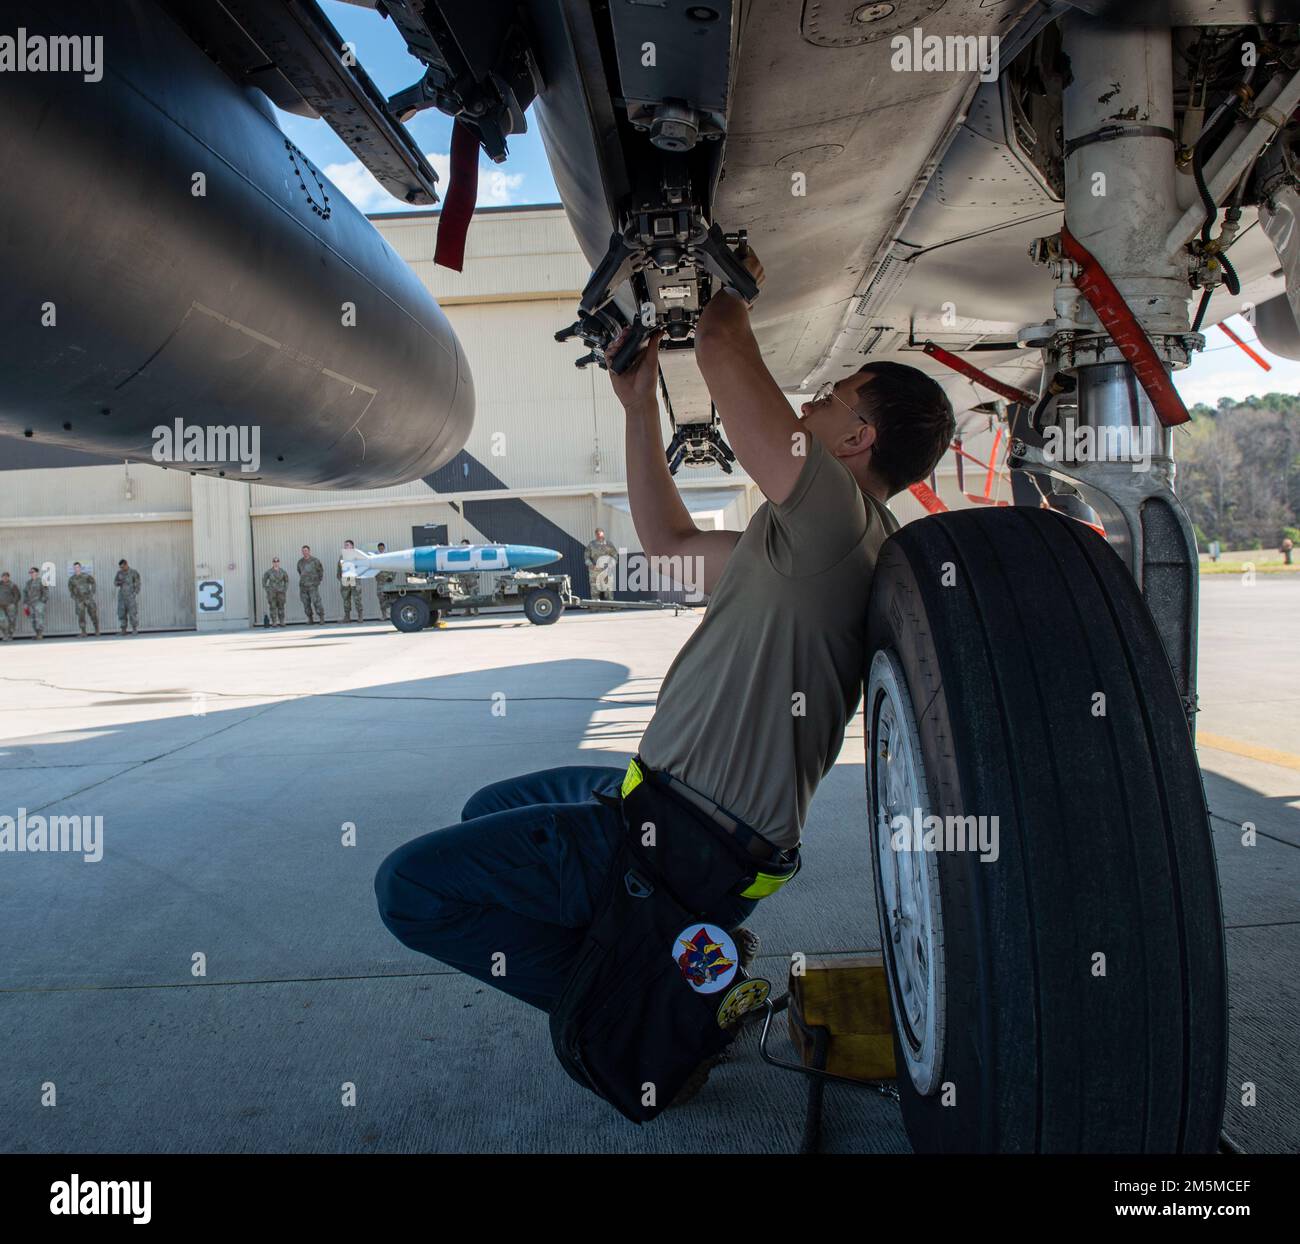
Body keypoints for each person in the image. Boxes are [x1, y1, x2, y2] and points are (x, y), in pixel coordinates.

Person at [375, 246, 955, 1105]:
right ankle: (672, 955)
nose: (810, 402)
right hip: (666, 801)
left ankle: (667, 993)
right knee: (488, 811)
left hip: (693, 838)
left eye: (831, 399)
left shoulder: (835, 516)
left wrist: (721, 276)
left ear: (858, 439)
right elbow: (671, 550)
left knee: (409, 888)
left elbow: (725, 350)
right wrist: (638, 400)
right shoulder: (803, 542)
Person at [585, 527, 618, 600]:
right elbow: (586, 557)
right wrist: (591, 565)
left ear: (603, 534)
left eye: (601, 535)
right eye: (598, 535)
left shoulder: (609, 544)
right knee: (594, 591)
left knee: (609, 590)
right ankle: (595, 607)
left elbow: (615, 556)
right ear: (595, 535)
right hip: (595, 571)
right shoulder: (591, 545)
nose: (599, 537)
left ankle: (610, 607)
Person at [68, 562, 100, 637]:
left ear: (80, 568)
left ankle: (97, 630)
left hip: (88, 598)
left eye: (78, 567)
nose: (76, 569)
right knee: (81, 616)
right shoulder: (72, 579)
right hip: (79, 599)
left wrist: (92, 593)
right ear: (74, 569)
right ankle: (83, 632)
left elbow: (93, 582)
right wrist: (74, 597)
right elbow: (70, 589)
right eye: (75, 568)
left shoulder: (86, 576)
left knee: (93, 614)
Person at [297, 545, 324, 623]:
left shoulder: (315, 561)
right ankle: (310, 618)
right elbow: (299, 571)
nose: (304, 552)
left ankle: (321, 618)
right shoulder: (300, 562)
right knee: (306, 603)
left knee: (316, 602)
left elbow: (320, 571)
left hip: (313, 586)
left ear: (309, 551)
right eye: (303, 551)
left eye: (306, 550)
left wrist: (318, 581)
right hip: (303, 586)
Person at [113, 559, 141, 635]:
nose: (121, 569)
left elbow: (138, 583)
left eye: (122, 567)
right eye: (120, 567)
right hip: (122, 597)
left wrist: (135, 593)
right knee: (121, 613)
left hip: (130, 597)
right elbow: (115, 582)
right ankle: (123, 630)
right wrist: (119, 582)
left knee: (132, 613)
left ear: (126, 564)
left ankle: (134, 629)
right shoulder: (119, 573)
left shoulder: (133, 572)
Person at [338, 540, 363, 622]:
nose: (345, 546)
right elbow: (339, 569)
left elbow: (361, 567)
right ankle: (347, 617)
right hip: (345, 580)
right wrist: (340, 578)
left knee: (357, 599)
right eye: (345, 545)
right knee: (346, 599)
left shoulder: (357, 556)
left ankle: (360, 616)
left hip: (354, 580)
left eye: (347, 545)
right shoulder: (342, 556)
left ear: (352, 546)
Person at [454, 538, 479, 615]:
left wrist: (476, 574)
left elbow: (476, 563)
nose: (463, 547)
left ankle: (476, 610)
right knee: (465, 594)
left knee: (473, 594)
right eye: (462, 545)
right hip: (462, 576)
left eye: (465, 545)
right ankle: (467, 611)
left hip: (471, 576)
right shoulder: (459, 554)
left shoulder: (473, 553)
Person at [262, 557, 289, 627]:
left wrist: (285, 589)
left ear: (279, 563)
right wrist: (267, 589)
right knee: (272, 607)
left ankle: (282, 621)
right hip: (272, 593)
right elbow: (264, 580)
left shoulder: (283, 571)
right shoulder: (269, 572)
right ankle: (274, 622)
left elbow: (286, 580)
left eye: (277, 561)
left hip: (281, 592)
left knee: (281, 607)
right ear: (273, 563)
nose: (276, 563)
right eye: (274, 561)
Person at [24, 567, 49, 639]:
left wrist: (42, 602)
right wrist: (25, 603)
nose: (31, 574)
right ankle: (37, 633)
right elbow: (25, 593)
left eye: (33, 572)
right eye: (30, 572)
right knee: (32, 619)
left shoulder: (42, 581)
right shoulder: (28, 583)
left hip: (38, 603)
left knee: (39, 619)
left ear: (37, 573)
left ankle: (40, 634)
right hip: (30, 604)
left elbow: (46, 592)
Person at [373, 543, 396, 617]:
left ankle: (393, 615)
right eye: (379, 548)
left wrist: (392, 577)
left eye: (382, 548)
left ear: (384, 548)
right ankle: (384, 615)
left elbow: (394, 568)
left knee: (391, 598)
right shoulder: (376, 557)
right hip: (380, 581)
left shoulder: (388, 557)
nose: (381, 549)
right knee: (381, 597)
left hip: (388, 581)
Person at [0, 572, 19, 641]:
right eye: (3, 576)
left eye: (6, 576)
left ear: (8, 577)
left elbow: (17, 595)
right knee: (1, 620)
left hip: (10, 606)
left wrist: (13, 603)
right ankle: (5, 634)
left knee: (12, 621)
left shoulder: (12, 585)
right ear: (1, 577)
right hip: (0, 607)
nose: (5, 578)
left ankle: (10, 635)